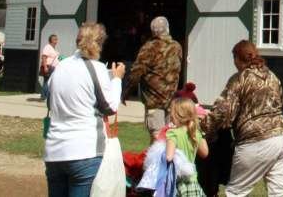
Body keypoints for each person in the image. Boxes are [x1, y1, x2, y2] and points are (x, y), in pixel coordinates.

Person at [202, 40, 283, 197]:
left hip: (256, 141)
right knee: (280, 192)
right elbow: (281, 101)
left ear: (237, 58)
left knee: (236, 192)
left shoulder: (239, 79)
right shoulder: (272, 75)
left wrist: (203, 128)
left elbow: (223, 111)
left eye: (234, 59)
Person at [44, 22, 125, 196]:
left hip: (54, 150)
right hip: (84, 150)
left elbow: (49, 101)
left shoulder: (60, 66)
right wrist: (117, 79)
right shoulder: (97, 68)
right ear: (100, 44)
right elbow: (110, 107)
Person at [124, 15, 183, 139]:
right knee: (169, 137)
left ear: (152, 31)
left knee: (158, 136)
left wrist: (125, 93)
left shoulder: (149, 48)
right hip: (170, 100)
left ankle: (160, 158)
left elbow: (136, 73)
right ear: (167, 28)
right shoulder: (177, 47)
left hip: (154, 101)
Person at [166, 95, 210, 196]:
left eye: (171, 112)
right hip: (192, 182)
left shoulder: (173, 133)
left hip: (178, 183)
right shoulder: (195, 133)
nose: (170, 114)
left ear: (178, 114)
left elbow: (168, 157)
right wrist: (201, 133)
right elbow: (205, 153)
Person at [40, 33, 60, 101]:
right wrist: (45, 67)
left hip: (53, 67)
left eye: (56, 39)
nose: (56, 41)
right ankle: (44, 96)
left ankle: (45, 96)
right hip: (48, 66)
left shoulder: (53, 49)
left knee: (48, 81)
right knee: (47, 81)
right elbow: (44, 57)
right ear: (51, 41)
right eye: (54, 39)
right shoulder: (47, 47)